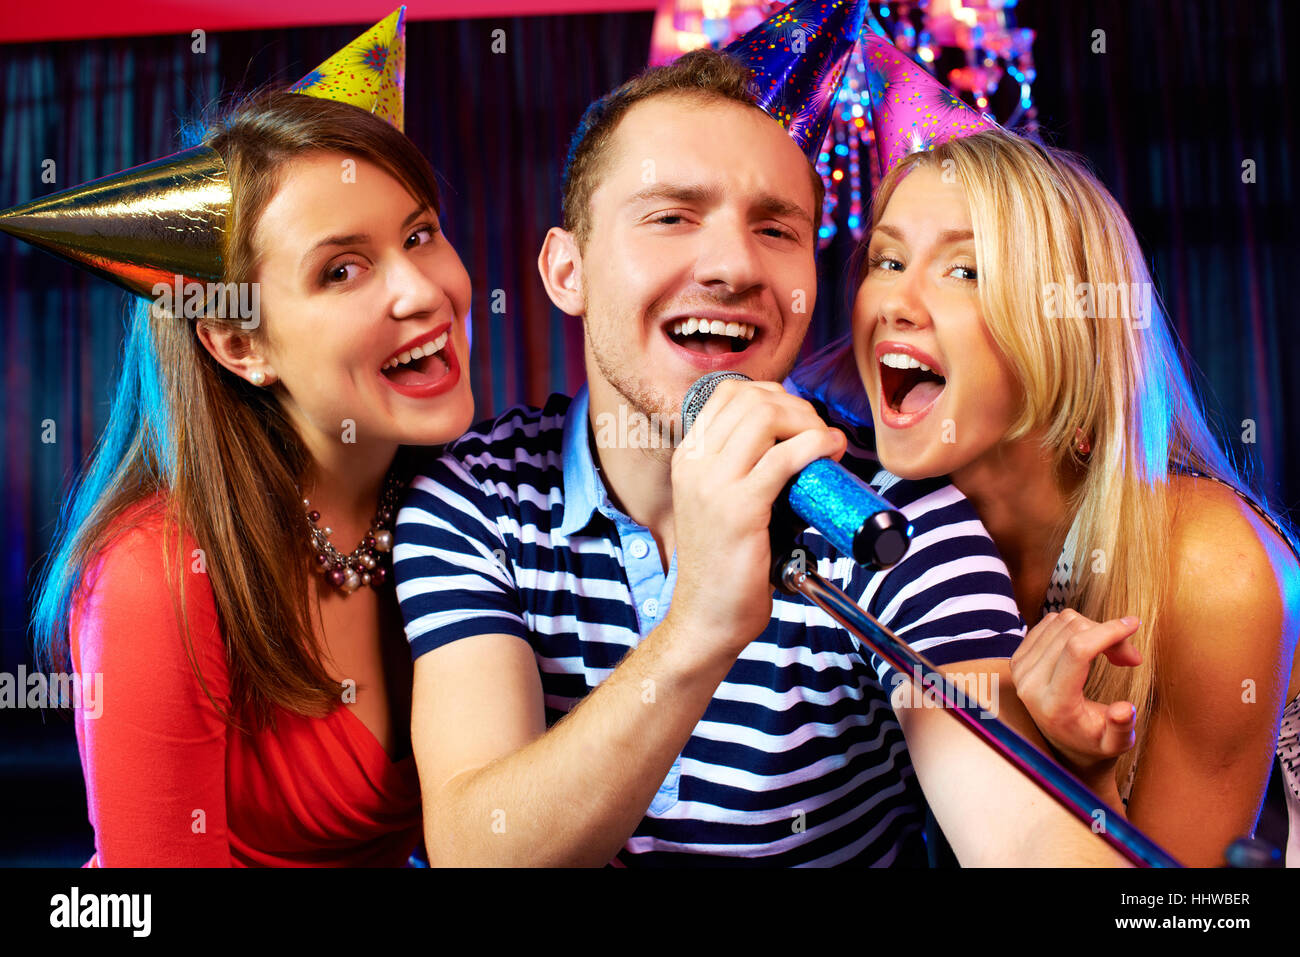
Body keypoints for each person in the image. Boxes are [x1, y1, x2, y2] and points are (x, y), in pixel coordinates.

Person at [393, 8, 1128, 867]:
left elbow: (1028, 838)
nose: (736, 268)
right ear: (568, 270)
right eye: (672, 216)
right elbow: (478, 853)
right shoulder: (476, 493)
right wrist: (702, 622)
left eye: (776, 228)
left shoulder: (894, 521)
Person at [796, 43, 1300, 866]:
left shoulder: (1211, 566)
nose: (895, 301)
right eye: (887, 260)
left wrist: (1090, 770)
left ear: (1065, 330)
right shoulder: (866, 521)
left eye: (964, 269)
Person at [24, 12, 477, 866]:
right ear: (240, 341)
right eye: (342, 269)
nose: (424, 291)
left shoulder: (472, 501)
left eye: (419, 234)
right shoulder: (154, 574)